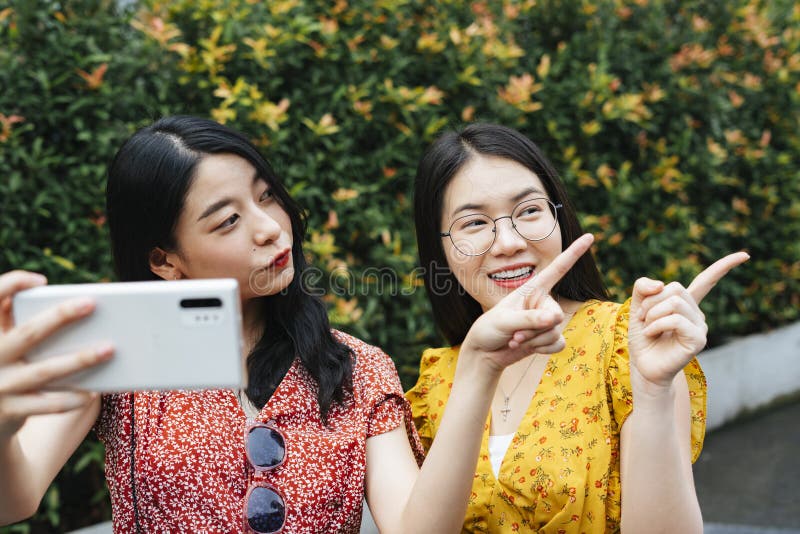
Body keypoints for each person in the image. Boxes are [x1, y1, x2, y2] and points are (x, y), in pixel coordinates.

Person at [0, 116, 592, 533]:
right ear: (164, 261)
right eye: (228, 220)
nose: (269, 228)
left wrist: (480, 366)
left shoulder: (357, 368)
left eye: (267, 197)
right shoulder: (118, 352)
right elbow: (15, 498)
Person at [406, 123, 748, 533]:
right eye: (475, 223)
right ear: (440, 249)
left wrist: (654, 392)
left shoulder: (627, 345)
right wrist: (478, 365)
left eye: (529, 211)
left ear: (559, 217)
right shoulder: (436, 383)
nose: (509, 241)